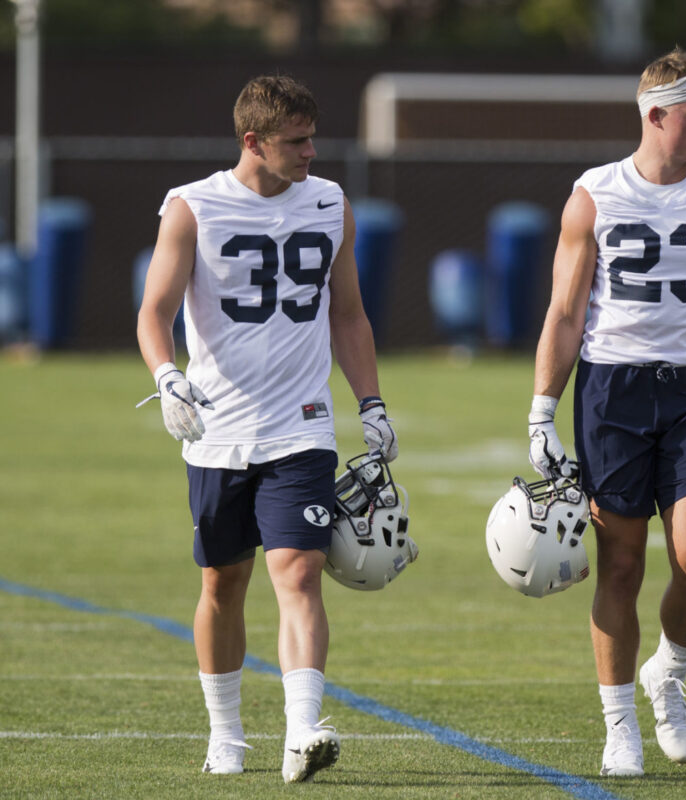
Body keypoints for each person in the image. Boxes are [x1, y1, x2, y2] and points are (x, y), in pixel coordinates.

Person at [136, 75, 400, 783]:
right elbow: (154, 311)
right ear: (253, 141)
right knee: (223, 581)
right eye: (297, 141)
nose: (312, 152)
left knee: (300, 571)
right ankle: (226, 734)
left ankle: (303, 729)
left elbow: (348, 314)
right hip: (218, 427)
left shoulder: (330, 203)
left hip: (301, 425)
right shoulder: (193, 207)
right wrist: (166, 377)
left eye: (313, 138)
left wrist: (371, 403)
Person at [527, 47, 686, 777]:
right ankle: (618, 726)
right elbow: (565, 313)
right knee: (622, 563)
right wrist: (542, 410)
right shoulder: (594, 195)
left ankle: (667, 672)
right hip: (613, 392)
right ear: (657, 116)